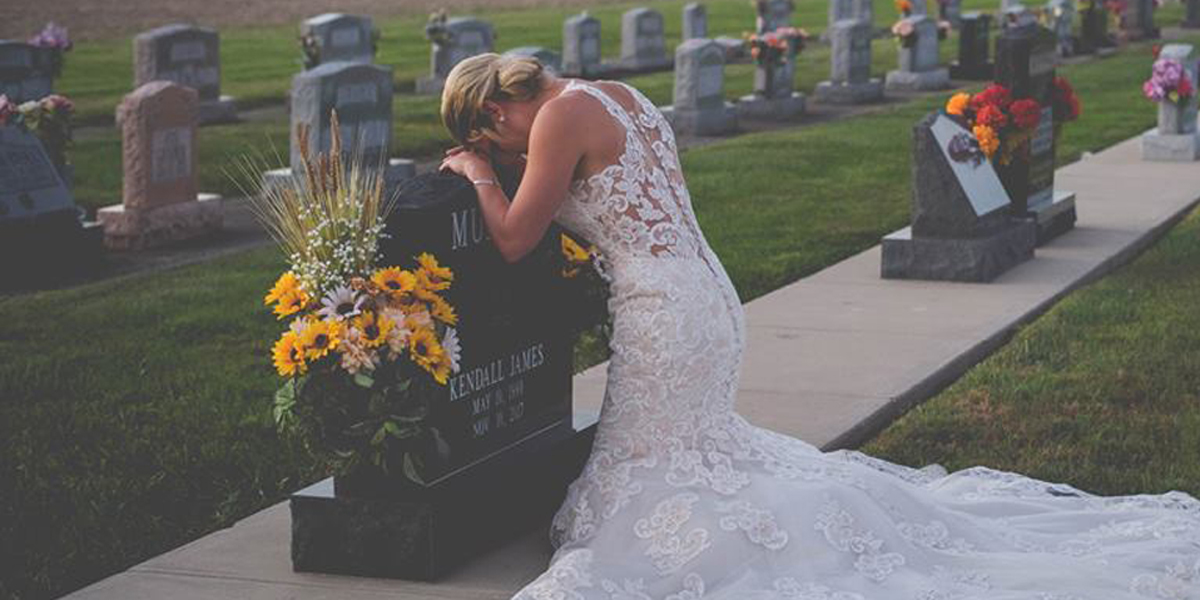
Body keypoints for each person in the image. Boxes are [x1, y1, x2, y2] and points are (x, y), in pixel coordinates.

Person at [438, 54, 1200, 600]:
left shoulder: (556, 119)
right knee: (689, 452)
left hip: (664, 311)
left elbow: (513, 237)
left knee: (659, 473)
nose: (497, 151)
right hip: (702, 292)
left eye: (489, 139)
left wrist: (475, 177)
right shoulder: (609, 94)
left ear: (495, 109)